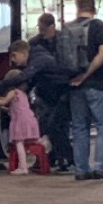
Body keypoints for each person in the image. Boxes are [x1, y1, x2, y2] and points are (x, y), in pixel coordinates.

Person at [67, 0, 103, 183]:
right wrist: (86, 75)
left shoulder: (68, 28)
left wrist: (77, 78)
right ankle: (101, 167)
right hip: (97, 85)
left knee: (80, 128)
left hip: (73, 87)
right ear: (94, 8)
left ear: (77, 7)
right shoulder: (98, 26)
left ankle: (81, 169)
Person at [0, 41, 45, 174]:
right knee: (34, 141)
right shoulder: (24, 94)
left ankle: (23, 167)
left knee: (19, 143)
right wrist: (7, 110)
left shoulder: (13, 92)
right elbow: (14, 108)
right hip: (30, 121)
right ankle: (43, 144)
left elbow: (2, 102)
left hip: (20, 123)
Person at [27, 13, 74, 170]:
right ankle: (56, 158)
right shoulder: (35, 43)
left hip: (61, 91)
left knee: (56, 126)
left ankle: (61, 158)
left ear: (52, 26)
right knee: (47, 126)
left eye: (44, 29)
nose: (42, 32)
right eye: (40, 29)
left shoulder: (64, 41)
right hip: (45, 91)